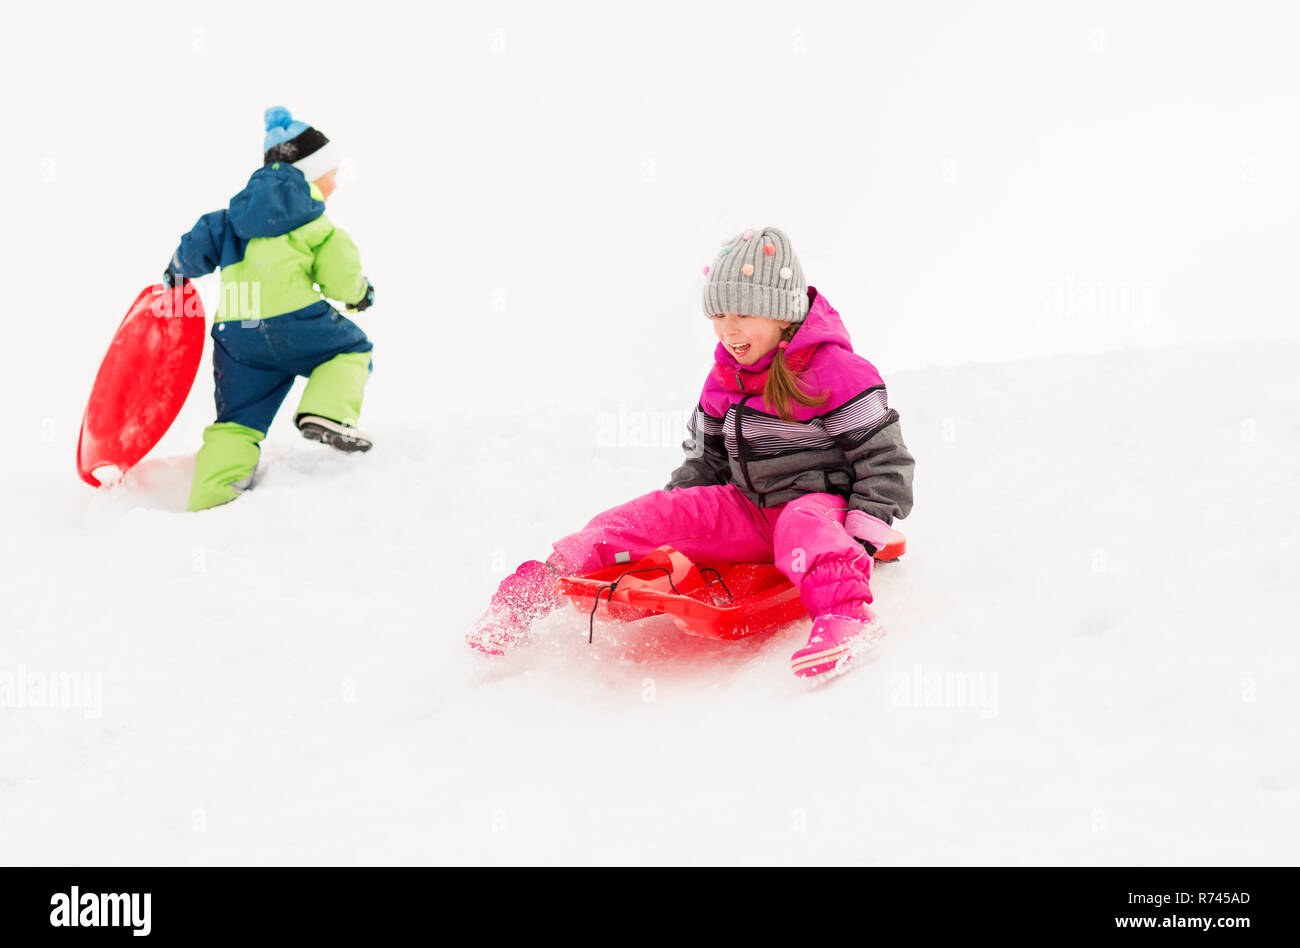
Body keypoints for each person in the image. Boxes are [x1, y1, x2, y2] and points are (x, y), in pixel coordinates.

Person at [466, 227, 915, 678]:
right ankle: (530, 592)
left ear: (782, 314)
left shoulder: (835, 371)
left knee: (802, 524)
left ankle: (846, 615)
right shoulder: (725, 377)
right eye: (718, 315)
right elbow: (707, 461)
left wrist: (861, 536)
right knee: (644, 515)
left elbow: (884, 461)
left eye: (743, 313)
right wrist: (673, 516)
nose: (729, 329)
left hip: (820, 507)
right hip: (747, 510)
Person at [163, 106, 377, 512]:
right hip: (294, 318)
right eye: (332, 173)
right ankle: (325, 413)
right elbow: (340, 273)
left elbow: (193, 248)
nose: (335, 184)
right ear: (310, 174)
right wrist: (359, 294)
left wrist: (176, 273)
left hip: (238, 332)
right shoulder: (315, 223)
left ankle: (212, 496)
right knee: (350, 349)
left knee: (237, 418)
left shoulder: (229, 219)